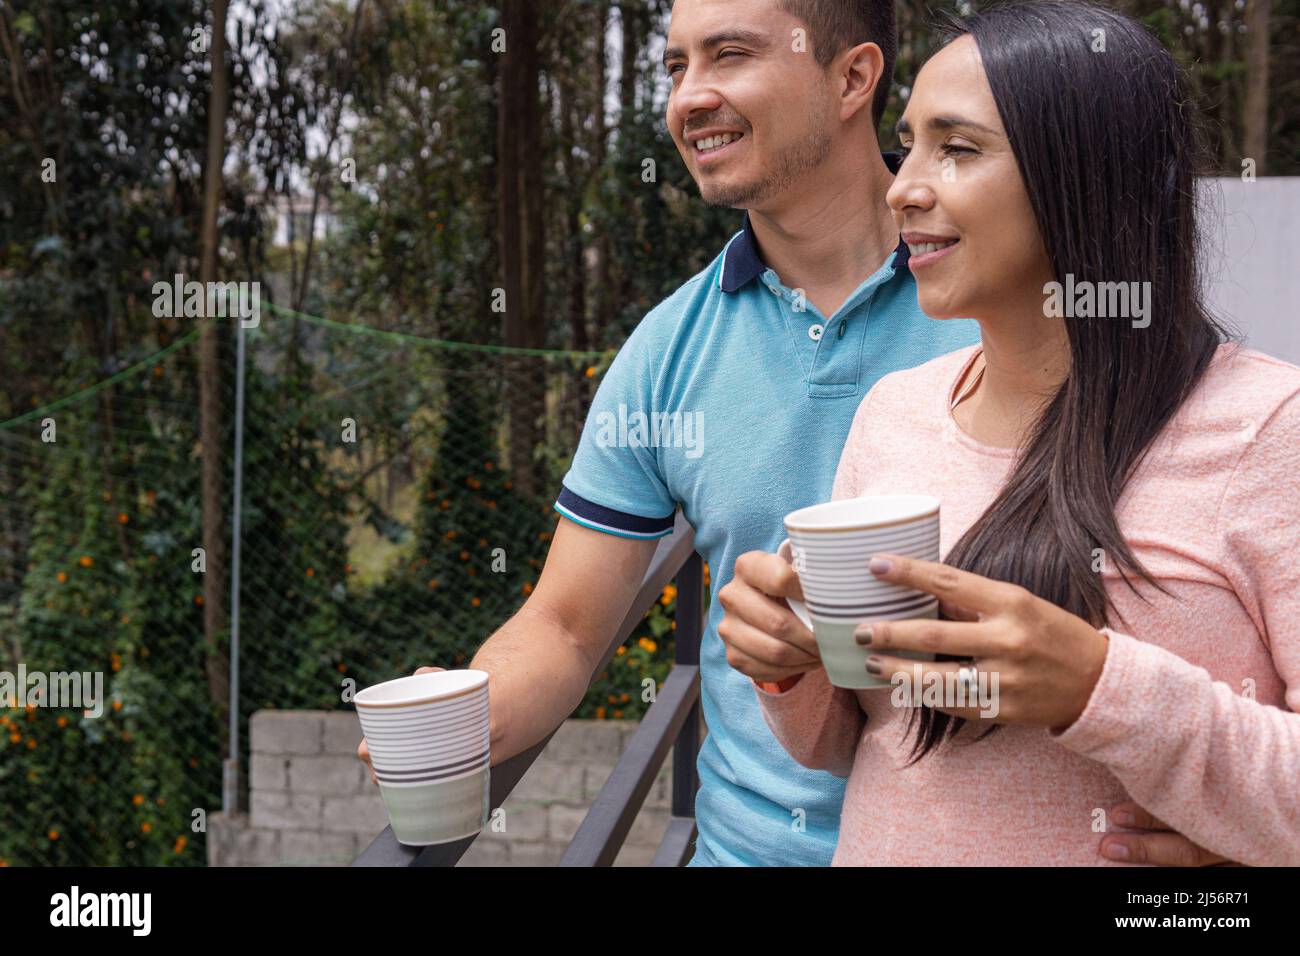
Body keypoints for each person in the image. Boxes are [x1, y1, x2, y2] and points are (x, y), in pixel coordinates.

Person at [362, 0, 1227, 867]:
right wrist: (475, 707)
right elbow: (567, 625)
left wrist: (1228, 821)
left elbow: (1203, 589)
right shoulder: (668, 351)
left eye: (729, 54)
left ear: (852, 76)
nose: (688, 98)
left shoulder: (1025, 292)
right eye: (673, 68)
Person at [720, 0, 1300, 865]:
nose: (902, 186)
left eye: (956, 148)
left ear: (1091, 175)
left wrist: (1102, 689)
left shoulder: (1267, 430)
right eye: (909, 142)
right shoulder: (896, 413)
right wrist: (787, 663)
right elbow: (861, 747)